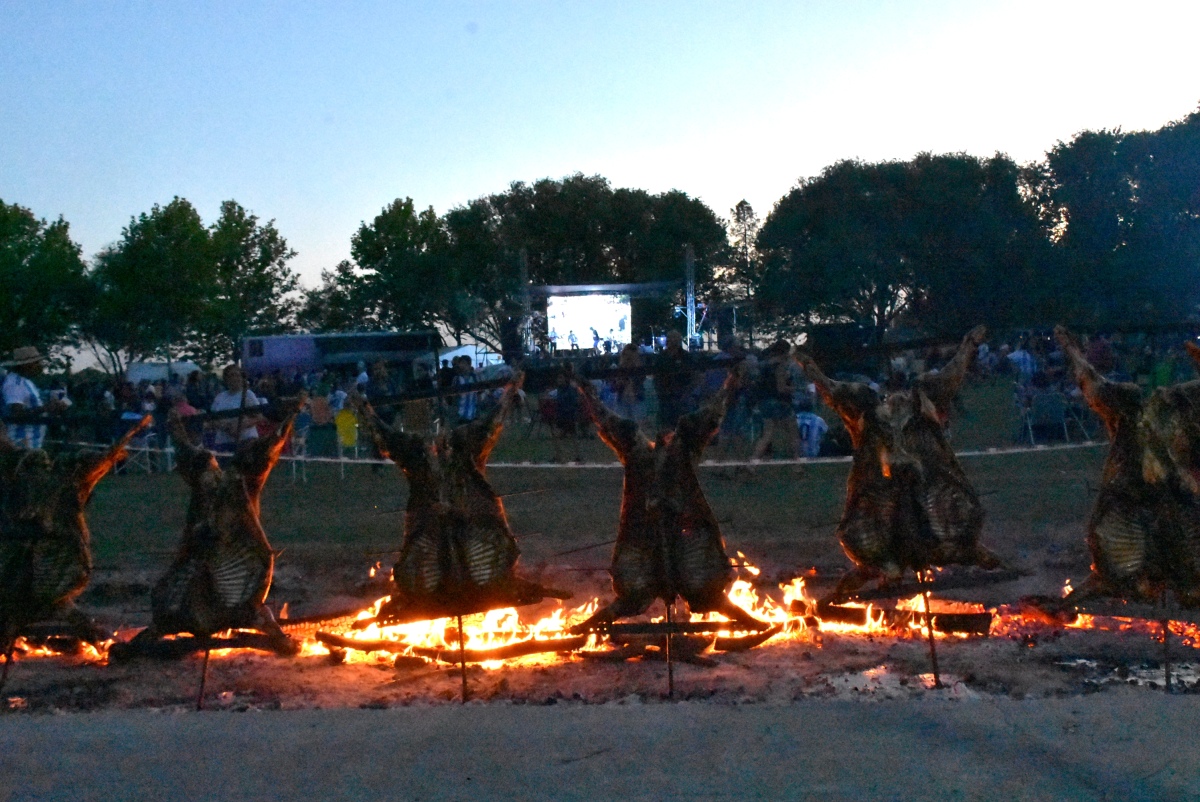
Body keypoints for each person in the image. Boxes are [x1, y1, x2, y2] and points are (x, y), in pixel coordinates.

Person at [751, 339, 801, 464]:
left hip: (764, 401)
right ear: (785, 351)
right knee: (793, 433)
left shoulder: (764, 364)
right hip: (780, 403)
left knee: (767, 435)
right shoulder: (781, 365)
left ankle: (752, 464)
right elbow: (781, 388)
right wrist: (798, 388)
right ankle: (797, 463)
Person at [2, 346, 59, 448]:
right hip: (21, 443)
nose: (39, 366)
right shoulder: (15, 384)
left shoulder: (26, 381)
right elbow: (17, 414)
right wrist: (45, 408)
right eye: (36, 363)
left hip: (32, 442)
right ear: (26, 365)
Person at [208, 364, 262, 451]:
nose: (234, 378)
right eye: (230, 375)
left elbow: (259, 417)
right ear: (226, 379)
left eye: (237, 375)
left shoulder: (248, 395)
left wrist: (241, 425)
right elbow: (212, 418)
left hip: (246, 441)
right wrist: (225, 426)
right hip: (223, 442)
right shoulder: (220, 397)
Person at [653, 330, 694, 433]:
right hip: (665, 396)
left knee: (683, 424)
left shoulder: (686, 356)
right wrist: (659, 391)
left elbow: (694, 375)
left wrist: (688, 391)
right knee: (666, 426)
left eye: (675, 338)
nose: (672, 341)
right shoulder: (661, 357)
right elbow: (656, 376)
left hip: (683, 395)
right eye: (670, 338)